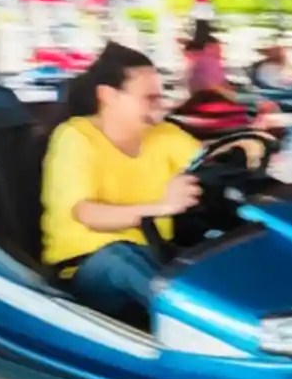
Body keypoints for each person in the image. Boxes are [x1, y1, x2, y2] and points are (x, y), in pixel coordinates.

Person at [41, 42, 270, 320]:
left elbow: (206, 160)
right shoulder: (75, 138)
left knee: (223, 246)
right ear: (108, 96)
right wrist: (162, 206)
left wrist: (249, 147)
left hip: (156, 257)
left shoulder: (162, 134)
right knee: (120, 258)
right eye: (149, 99)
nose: (160, 108)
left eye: (160, 98)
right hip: (85, 269)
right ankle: (213, 329)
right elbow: (88, 214)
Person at [182, 20, 240, 102]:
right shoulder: (209, 62)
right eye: (219, 49)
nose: (221, 53)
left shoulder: (198, 63)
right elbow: (213, 88)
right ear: (208, 48)